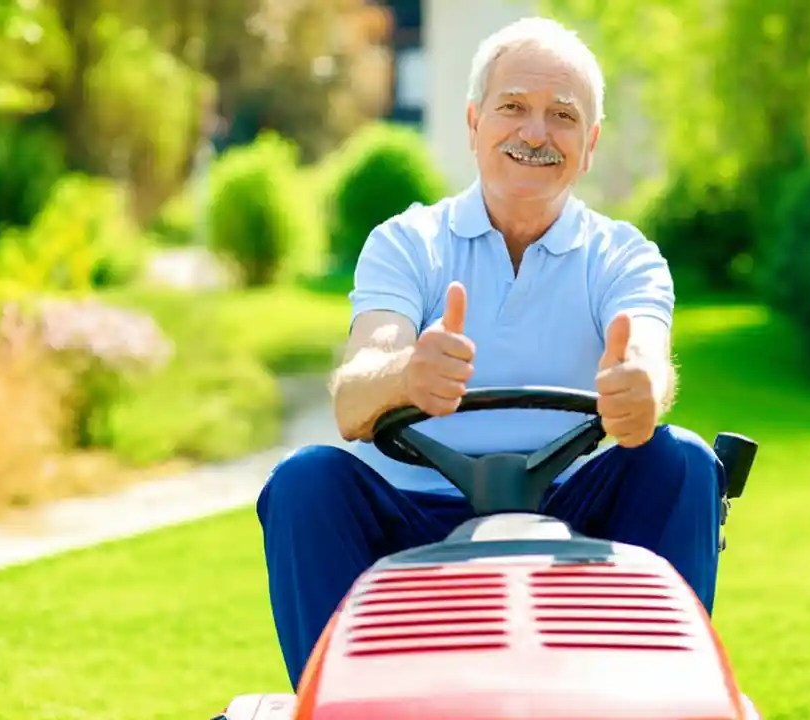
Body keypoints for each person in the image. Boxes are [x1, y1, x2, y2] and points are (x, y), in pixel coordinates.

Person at [255, 16, 727, 689]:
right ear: (475, 124)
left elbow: (647, 355)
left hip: (572, 514)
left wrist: (639, 388)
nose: (535, 133)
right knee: (306, 480)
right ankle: (338, 702)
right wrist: (406, 374)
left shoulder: (625, 257)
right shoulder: (407, 244)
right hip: (414, 515)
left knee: (681, 458)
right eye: (514, 108)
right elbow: (355, 396)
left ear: (589, 145)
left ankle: (663, 697)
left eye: (561, 116)